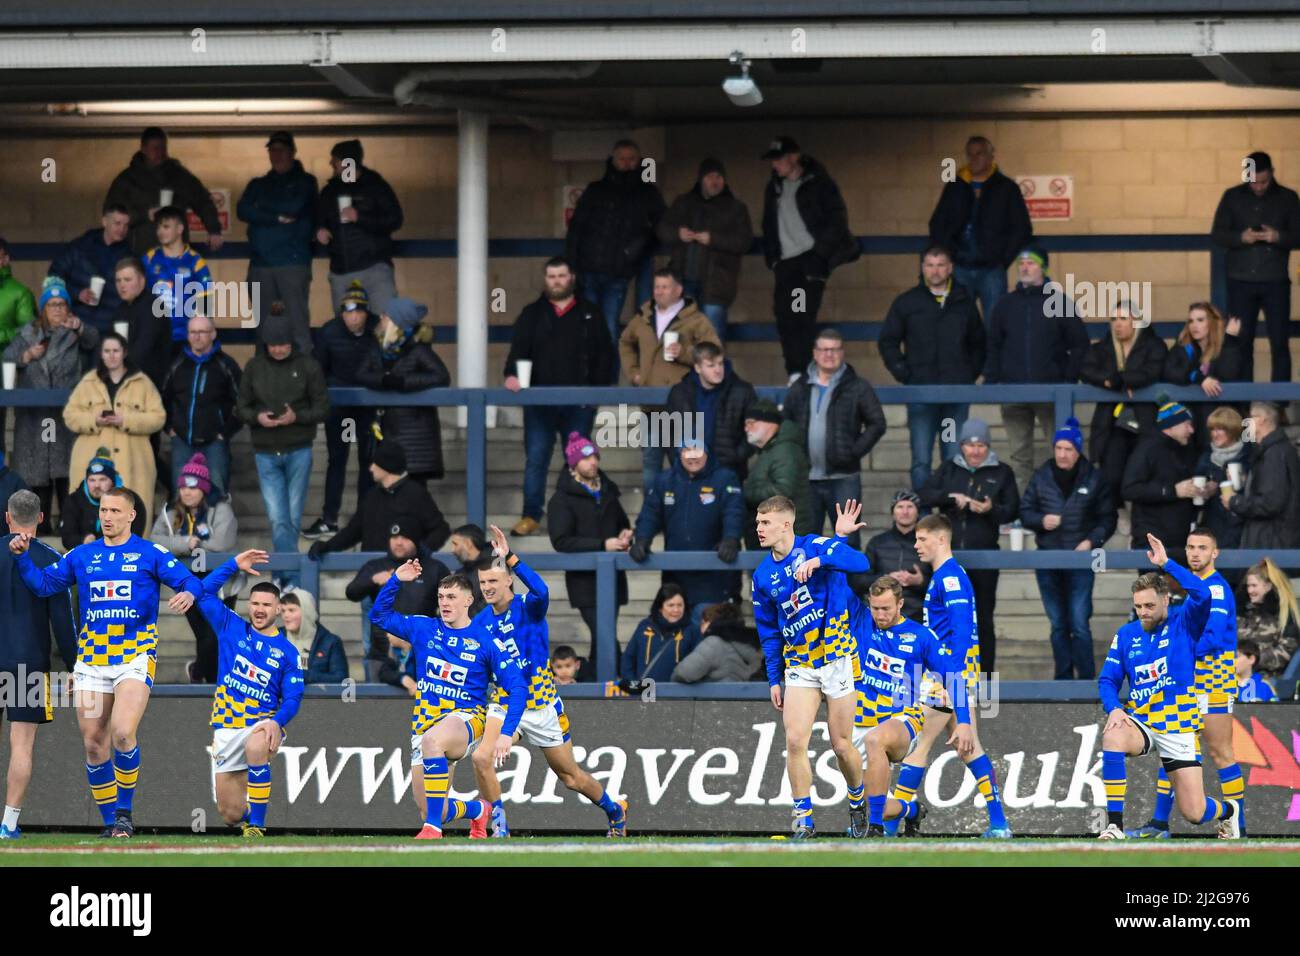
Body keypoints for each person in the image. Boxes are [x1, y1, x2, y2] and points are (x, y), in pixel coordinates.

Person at [9, 485, 203, 838]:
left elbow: (188, 579)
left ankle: (125, 814)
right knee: (94, 743)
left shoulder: (150, 553)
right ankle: (111, 822)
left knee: (123, 732)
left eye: (115, 511)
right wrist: (23, 557)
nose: (107, 517)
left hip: (134, 655)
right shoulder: (82, 555)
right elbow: (42, 585)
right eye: (102, 511)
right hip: (92, 661)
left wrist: (189, 591)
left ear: (131, 515)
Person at [472, 524, 629, 838]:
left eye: (492, 580)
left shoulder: (528, 609)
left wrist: (511, 557)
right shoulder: (481, 622)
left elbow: (542, 590)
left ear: (508, 581)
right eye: (482, 582)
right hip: (505, 702)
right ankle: (499, 827)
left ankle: (615, 810)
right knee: (481, 756)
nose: (487, 587)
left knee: (571, 778)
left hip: (541, 704)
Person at [1096, 534, 1242, 840]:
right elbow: (1108, 679)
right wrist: (1113, 709)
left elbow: (1201, 593)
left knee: (1195, 813)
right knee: (1113, 735)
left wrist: (1166, 563)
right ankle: (1114, 826)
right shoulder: (1126, 634)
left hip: (1177, 722)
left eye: (1150, 605)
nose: (1144, 612)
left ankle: (1230, 811)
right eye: (1138, 606)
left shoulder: (1184, 622)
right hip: (1143, 719)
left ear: (1166, 600)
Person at [372, 566, 525, 839]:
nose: (444, 603)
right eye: (441, 597)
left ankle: (432, 830)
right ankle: (477, 810)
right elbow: (379, 616)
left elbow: (518, 686)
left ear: (468, 600)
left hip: (466, 718)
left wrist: (505, 731)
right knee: (431, 807)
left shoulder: (485, 641)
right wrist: (395, 580)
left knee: (433, 744)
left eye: (452, 597)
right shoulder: (423, 628)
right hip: (425, 723)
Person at [752, 496, 871, 838]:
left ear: (786, 524)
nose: (759, 529)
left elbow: (860, 563)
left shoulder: (815, 546)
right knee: (794, 741)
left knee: (842, 745)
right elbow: (769, 631)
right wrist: (774, 678)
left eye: (766, 523)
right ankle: (803, 821)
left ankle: (856, 799)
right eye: (758, 523)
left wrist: (822, 558)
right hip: (800, 663)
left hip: (837, 657)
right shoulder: (762, 575)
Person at [888, 513, 1012, 838]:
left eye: (922, 539)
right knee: (970, 748)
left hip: (945, 678)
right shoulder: (947, 576)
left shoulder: (950, 578)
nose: (916, 545)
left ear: (941, 539)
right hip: (951, 675)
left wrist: (949, 680)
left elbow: (960, 634)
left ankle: (885, 826)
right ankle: (999, 824)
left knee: (917, 746)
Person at [194, 550, 304, 837]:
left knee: (257, 746)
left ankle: (257, 825)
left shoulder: (288, 652)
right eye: (254, 603)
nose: (259, 609)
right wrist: (232, 565)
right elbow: (201, 592)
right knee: (229, 814)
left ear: (278, 609)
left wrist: (276, 722)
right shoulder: (231, 627)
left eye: (267, 605)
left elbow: (293, 698)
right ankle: (246, 817)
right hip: (226, 727)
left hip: (260, 723)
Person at [854, 575, 974, 837]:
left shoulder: (920, 636)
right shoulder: (861, 622)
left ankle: (874, 830)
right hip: (859, 723)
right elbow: (847, 572)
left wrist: (963, 721)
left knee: (875, 740)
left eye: (886, 608)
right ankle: (911, 811)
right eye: (875, 608)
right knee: (880, 805)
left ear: (900, 604)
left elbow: (953, 677)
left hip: (902, 719)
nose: (880, 614)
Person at [504, 257, 613, 536]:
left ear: (572, 278)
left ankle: (577, 516)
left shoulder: (591, 313)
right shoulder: (531, 314)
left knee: (577, 461)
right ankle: (530, 515)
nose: (556, 281)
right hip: (539, 404)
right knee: (537, 459)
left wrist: (597, 391)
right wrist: (511, 375)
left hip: (579, 404)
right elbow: (517, 352)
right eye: (551, 276)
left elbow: (605, 356)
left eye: (561, 275)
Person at [0, 489, 78, 840]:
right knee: (22, 745)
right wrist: (76, 666)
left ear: (7, 516)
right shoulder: (52, 559)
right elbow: (64, 624)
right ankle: (9, 824)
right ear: (42, 518)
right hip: (28, 664)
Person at [879, 245, 986, 490]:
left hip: (954, 396)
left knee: (952, 458)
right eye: (929, 265)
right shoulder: (907, 302)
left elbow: (979, 343)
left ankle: (950, 518)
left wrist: (968, 375)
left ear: (950, 268)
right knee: (921, 460)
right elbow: (888, 341)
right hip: (921, 396)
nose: (935, 270)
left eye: (940, 265)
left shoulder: (964, 303)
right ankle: (924, 517)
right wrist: (904, 373)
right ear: (922, 268)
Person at [916, 418, 1019, 674]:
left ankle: (984, 684)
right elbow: (924, 494)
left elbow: (1013, 510)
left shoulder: (1002, 471)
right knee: (943, 618)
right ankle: (941, 675)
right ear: (961, 446)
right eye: (970, 445)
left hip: (985, 558)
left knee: (983, 620)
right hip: (948, 557)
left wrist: (989, 509)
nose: (975, 451)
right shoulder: (949, 468)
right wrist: (951, 498)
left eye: (981, 445)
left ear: (989, 447)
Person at [984, 245, 1090, 490]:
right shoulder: (1004, 305)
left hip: (1052, 392)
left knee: (1063, 453)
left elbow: (1080, 345)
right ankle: (1026, 513)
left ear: (1043, 268)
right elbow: (994, 345)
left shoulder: (1059, 302)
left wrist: (1067, 381)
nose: (1024, 267)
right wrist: (992, 382)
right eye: (1020, 263)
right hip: (1012, 392)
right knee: (1019, 456)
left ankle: (1063, 506)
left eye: (1031, 263)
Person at [1018, 418, 1117, 680]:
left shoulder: (1094, 478)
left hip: (1080, 562)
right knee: (1058, 625)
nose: (1062, 454)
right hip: (1048, 561)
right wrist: (1041, 521)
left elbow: (1108, 518)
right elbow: (1025, 511)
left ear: (1078, 450)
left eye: (1068, 449)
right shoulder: (1041, 476)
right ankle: (1062, 681)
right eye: (1058, 448)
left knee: (1079, 624)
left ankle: (1086, 682)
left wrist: (1090, 542)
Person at [235, 310, 328, 582]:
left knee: (292, 519)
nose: (277, 350)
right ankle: (290, 578)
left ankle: (284, 577)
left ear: (292, 342)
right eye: (273, 345)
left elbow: (322, 407)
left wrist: (296, 417)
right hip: (266, 451)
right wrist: (258, 418)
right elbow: (242, 406)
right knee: (279, 518)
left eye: (283, 345)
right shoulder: (254, 367)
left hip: (299, 448)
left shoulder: (309, 366)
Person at [4, 277, 100, 532]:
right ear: (43, 308)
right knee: (37, 477)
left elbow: (96, 341)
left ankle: (67, 526)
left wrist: (79, 327)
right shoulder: (28, 334)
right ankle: (41, 528)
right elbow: (7, 356)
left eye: (62, 304)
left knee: (65, 474)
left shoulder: (75, 331)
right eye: (52, 304)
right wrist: (26, 356)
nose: (57, 309)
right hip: (34, 420)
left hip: (62, 418)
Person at [760, 136, 860, 380]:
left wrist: (819, 256)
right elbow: (767, 223)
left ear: (794, 157)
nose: (775, 165)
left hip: (808, 264)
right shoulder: (774, 186)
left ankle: (803, 373)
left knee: (801, 317)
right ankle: (796, 373)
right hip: (785, 265)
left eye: (779, 159)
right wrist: (772, 258)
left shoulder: (820, 182)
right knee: (785, 318)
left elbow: (837, 220)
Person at [619, 268, 721, 492]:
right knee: (650, 466)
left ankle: (684, 520)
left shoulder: (696, 319)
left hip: (684, 406)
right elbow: (625, 342)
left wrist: (685, 352)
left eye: (665, 287)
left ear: (679, 290)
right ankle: (653, 520)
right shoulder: (643, 316)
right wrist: (634, 372)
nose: (659, 292)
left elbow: (714, 354)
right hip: (651, 406)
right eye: (656, 287)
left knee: (685, 465)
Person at [783, 327, 886, 549]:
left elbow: (877, 423)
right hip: (807, 479)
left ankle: (849, 585)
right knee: (806, 544)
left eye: (835, 349)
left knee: (848, 543)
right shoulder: (800, 387)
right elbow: (786, 424)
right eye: (824, 349)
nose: (829, 354)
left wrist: (853, 452)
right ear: (815, 352)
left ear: (843, 352)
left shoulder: (858, 386)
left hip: (844, 478)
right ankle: (810, 585)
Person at [565, 139, 666, 349]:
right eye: (622, 158)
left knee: (609, 329)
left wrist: (634, 253)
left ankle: (607, 381)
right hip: (588, 271)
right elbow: (576, 229)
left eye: (632, 159)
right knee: (589, 329)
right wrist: (572, 267)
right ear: (613, 159)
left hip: (617, 275)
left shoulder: (647, 193)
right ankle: (592, 380)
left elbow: (661, 229)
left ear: (639, 161)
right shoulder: (596, 190)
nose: (627, 163)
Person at [1210, 150, 1300, 382]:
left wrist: (1277, 237)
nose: (1258, 187)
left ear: (1272, 173)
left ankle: (1278, 403)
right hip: (1240, 281)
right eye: (1253, 182)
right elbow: (1218, 235)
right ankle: (1243, 404)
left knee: (1280, 342)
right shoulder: (1232, 197)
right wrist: (1242, 238)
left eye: (1263, 181)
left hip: (1275, 281)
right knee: (1241, 342)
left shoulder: (1288, 198)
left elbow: (1298, 236)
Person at [630, 441, 744, 624]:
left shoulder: (725, 478)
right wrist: (642, 539)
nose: (692, 456)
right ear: (678, 454)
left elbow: (734, 512)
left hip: (714, 576)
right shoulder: (664, 480)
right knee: (678, 634)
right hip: (676, 577)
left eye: (697, 450)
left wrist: (730, 539)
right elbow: (650, 513)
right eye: (686, 450)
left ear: (707, 452)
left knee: (707, 629)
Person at [546, 433, 631, 678]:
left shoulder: (608, 491)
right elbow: (561, 541)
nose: (593, 462)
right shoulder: (561, 499)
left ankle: (598, 682)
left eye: (595, 456)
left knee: (602, 634)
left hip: (612, 577)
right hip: (584, 581)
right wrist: (603, 544)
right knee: (604, 633)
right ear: (573, 464)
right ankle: (617, 680)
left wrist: (626, 537)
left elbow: (623, 523)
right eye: (586, 458)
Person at [151, 452, 238, 683]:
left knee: (216, 636)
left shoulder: (221, 509)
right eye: (183, 488)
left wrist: (195, 545)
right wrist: (184, 543)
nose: (187, 492)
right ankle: (208, 681)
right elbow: (154, 540)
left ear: (205, 489)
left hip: (221, 585)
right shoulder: (171, 513)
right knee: (205, 636)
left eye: (193, 488)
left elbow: (223, 543)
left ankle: (201, 675)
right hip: (188, 585)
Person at [63, 333, 165, 529]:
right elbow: (70, 416)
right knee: (91, 515)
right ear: (101, 354)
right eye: (107, 351)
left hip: (132, 461)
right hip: (91, 459)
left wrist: (125, 419)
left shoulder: (142, 383)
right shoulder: (88, 382)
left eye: (116, 351)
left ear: (124, 353)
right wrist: (94, 419)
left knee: (132, 514)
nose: (111, 356)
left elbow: (158, 417)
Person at [927, 135, 1033, 324]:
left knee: (994, 324)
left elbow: (1021, 228)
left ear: (991, 156)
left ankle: (990, 356)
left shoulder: (1006, 188)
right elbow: (937, 224)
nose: (974, 159)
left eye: (980, 154)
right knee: (959, 323)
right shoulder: (954, 186)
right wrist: (948, 256)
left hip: (991, 269)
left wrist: (1002, 259)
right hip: (959, 266)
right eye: (970, 154)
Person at [305, 281, 381, 538]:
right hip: (339, 409)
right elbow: (318, 371)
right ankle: (330, 519)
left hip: (368, 409)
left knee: (368, 464)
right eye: (348, 312)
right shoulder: (329, 332)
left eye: (358, 311)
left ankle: (365, 517)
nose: (354, 317)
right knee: (336, 461)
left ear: (366, 312)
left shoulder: (376, 331)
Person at [237, 130, 319, 354]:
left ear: (292, 152)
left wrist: (260, 210)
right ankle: (263, 383)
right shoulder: (258, 183)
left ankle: (303, 382)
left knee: (297, 327)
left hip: (292, 262)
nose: (276, 155)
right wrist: (275, 218)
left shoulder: (306, 181)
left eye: (281, 150)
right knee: (263, 328)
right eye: (272, 150)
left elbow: (293, 206)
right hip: (261, 264)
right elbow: (241, 210)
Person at [1079, 302, 1168, 506]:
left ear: (1135, 322)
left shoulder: (1153, 345)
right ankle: (1119, 512)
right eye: (1114, 319)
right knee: (1112, 471)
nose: (1117, 324)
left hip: (1146, 420)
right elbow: (1085, 370)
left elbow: (1152, 371)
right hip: (1111, 421)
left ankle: (1136, 516)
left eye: (1123, 319)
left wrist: (1121, 379)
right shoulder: (1102, 347)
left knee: (1144, 470)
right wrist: (1110, 380)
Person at [656, 157, 755, 340]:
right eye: (710, 176)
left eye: (719, 177)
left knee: (712, 339)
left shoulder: (735, 208)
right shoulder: (683, 202)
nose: (715, 181)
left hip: (717, 284)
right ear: (701, 179)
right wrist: (678, 234)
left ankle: (714, 369)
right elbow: (662, 229)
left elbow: (744, 241)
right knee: (682, 340)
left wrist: (713, 239)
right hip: (683, 282)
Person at [355, 297, 450, 485]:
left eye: (385, 315)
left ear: (395, 321)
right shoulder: (378, 347)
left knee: (413, 491)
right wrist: (383, 380)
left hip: (415, 435)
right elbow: (361, 374)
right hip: (389, 431)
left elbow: (441, 376)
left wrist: (402, 382)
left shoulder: (418, 350)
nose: (380, 318)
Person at [308, 441, 451, 560]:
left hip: (403, 576)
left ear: (386, 466)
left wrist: (422, 551)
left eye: (375, 463)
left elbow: (440, 529)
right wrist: (326, 546)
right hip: (371, 573)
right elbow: (353, 531)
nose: (371, 468)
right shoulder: (372, 495)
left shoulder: (415, 494)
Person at [346, 521, 448, 681]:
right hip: (380, 653)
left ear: (416, 540)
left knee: (424, 701)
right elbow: (351, 593)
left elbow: (450, 605)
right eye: (394, 537)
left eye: (405, 537)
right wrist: (373, 580)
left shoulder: (434, 568)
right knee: (374, 705)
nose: (398, 542)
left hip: (422, 651)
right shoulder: (376, 566)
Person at [105, 127, 224, 256]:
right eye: (155, 148)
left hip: (176, 257)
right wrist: (144, 214)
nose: (160, 152)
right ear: (143, 149)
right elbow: (110, 213)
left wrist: (214, 231)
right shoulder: (127, 180)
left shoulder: (180, 177)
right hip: (141, 257)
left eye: (163, 148)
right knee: (142, 276)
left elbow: (203, 201)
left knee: (181, 276)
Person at [160, 314, 242, 501]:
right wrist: (169, 428)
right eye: (193, 332)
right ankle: (184, 531)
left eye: (202, 332)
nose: (197, 337)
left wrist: (225, 432)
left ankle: (216, 530)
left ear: (213, 334)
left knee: (217, 493)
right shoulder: (176, 364)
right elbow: (162, 398)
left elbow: (242, 402)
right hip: (182, 440)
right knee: (180, 495)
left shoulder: (226, 365)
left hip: (214, 442)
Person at [316, 139, 403, 314]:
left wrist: (360, 217)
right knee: (346, 331)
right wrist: (319, 230)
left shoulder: (375, 186)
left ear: (349, 161)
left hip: (374, 268)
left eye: (336, 159)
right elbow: (318, 219)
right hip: (341, 270)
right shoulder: (330, 191)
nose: (331, 163)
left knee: (383, 327)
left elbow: (395, 219)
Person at [665, 341, 758, 481]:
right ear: (697, 367)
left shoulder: (742, 391)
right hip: (689, 473)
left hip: (729, 472)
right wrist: (679, 461)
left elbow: (755, 429)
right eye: (711, 365)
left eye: (720, 363)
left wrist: (735, 455)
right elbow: (668, 432)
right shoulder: (680, 393)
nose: (718, 369)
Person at [1121, 399, 1201, 553]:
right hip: (1152, 540)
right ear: (1171, 425)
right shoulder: (1146, 449)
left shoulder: (1186, 448)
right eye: (1187, 424)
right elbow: (1129, 489)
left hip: (1180, 539)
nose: (1191, 430)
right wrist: (1171, 491)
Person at [1162, 304, 1246, 447]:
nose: (1194, 325)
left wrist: (1230, 339)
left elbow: (1228, 374)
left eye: (1200, 320)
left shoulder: (1225, 346)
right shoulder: (1182, 347)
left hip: (1218, 420)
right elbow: (1169, 372)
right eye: (1191, 321)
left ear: (1212, 323)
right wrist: (1199, 378)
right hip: (1189, 420)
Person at [1221, 400, 1300, 551]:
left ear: (1261, 420)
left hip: (1272, 543)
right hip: (1273, 540)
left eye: (1250, 417)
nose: (1246, 423)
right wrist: (1247, 481)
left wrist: (1234, 502)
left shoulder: (1274, 454)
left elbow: (1270, 503)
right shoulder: (1273, 450)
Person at [741, 399, 816, 548]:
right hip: (778, 534)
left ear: (769, 422)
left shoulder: (784, 451)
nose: (746, 429)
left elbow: (782, 491)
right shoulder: (771, 450)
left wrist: (747, 492)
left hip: (784, 538)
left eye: (751, 423)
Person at [48, 202, 132, 333]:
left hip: (110, 327)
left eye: (126, 225)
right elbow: (53, 278)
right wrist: (78, 293)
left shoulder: (130, 256)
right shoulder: (80, 247)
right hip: (77, 324)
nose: (122, 229)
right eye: (117, 223)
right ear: (104, 222)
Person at [142, 206, 213, 346]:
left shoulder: (195, 261)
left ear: (180, 229)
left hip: (186, 339)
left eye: (166, 227)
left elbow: (205, 302)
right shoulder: (148, 259)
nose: (160, 232)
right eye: (158, 228)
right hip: (155, 337)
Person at [863, 490, 929, 623]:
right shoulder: (877, 542)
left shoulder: (927, 543)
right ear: (893, 512)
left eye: (910, 507)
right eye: (900, 507)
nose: (905, 512)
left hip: (917, 616)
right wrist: (885, 579)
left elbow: (943, 585)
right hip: (881, 616)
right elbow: (859, 581)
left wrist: (920, 581)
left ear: (918, 512)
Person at [61, 452, 148, 550]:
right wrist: (83, 540)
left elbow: (134, 537)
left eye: (102, 479)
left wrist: (99, 543)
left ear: (113, 480)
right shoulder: (74, 500)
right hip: (85, 554)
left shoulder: (131, 500)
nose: (97, 485)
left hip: (121, 555)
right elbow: (67, 537)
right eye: (92, 480)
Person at [114, 258, 173, 398]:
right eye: (118, 280)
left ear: (142, 281)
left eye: (127, 280)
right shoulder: (120, 309)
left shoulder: (154, 306)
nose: (122, 285)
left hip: (152, 387)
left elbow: (143, 349)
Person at [1194, 406, 1249, 553]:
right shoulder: (1206, 456)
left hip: (1240, 526)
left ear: (1232, 430)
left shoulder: (1248, 455)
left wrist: (1244, 481)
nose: (1214, 434)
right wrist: (1205, 490)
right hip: (1212, 525)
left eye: (1220, 429)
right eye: (1212, 429)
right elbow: (1198, 485)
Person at [621, 583, 701, 684]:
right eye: (671, 605)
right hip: (645, 695)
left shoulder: (692, 630)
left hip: (679, 696)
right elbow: (628, 658)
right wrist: (633, 685)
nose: (676, 610)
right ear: (660, 607)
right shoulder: (644, 626)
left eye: (680, 605)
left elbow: (698, 666)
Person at [1236, 559, 1298, 680]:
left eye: (1254, 585)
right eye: (1248, 586)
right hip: (1235, 680)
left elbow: (1286, 652)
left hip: (1268, 680)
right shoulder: (1241, 613)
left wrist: (1254, 659)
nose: (1250, 591)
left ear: (1268, 586)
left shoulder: (1284, 616)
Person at [672, 601, 763, 683]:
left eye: (703, 622)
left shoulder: (713, 643)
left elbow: (683, 673)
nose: (701, 628)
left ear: (711, 622)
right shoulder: (753, 645)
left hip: (717, 699)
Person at [281, 589, 348, 684]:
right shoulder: (275, 637)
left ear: (306, 612)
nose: (285, 615)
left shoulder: (330, 642)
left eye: (291, 610)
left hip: (316, 698)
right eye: (283, 611)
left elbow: (341, 678)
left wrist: (304, 676)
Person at [447, 524, 492, 616]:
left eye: (455, 544)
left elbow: (493, 606)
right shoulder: (459, 574)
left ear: (468, 544)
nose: (452, 550)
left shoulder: (495, 570)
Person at [0, 238, 36, 350]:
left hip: (5, 361)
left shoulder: (20, 292)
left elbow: (29, 332)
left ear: (5, 259)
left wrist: (2, 336)